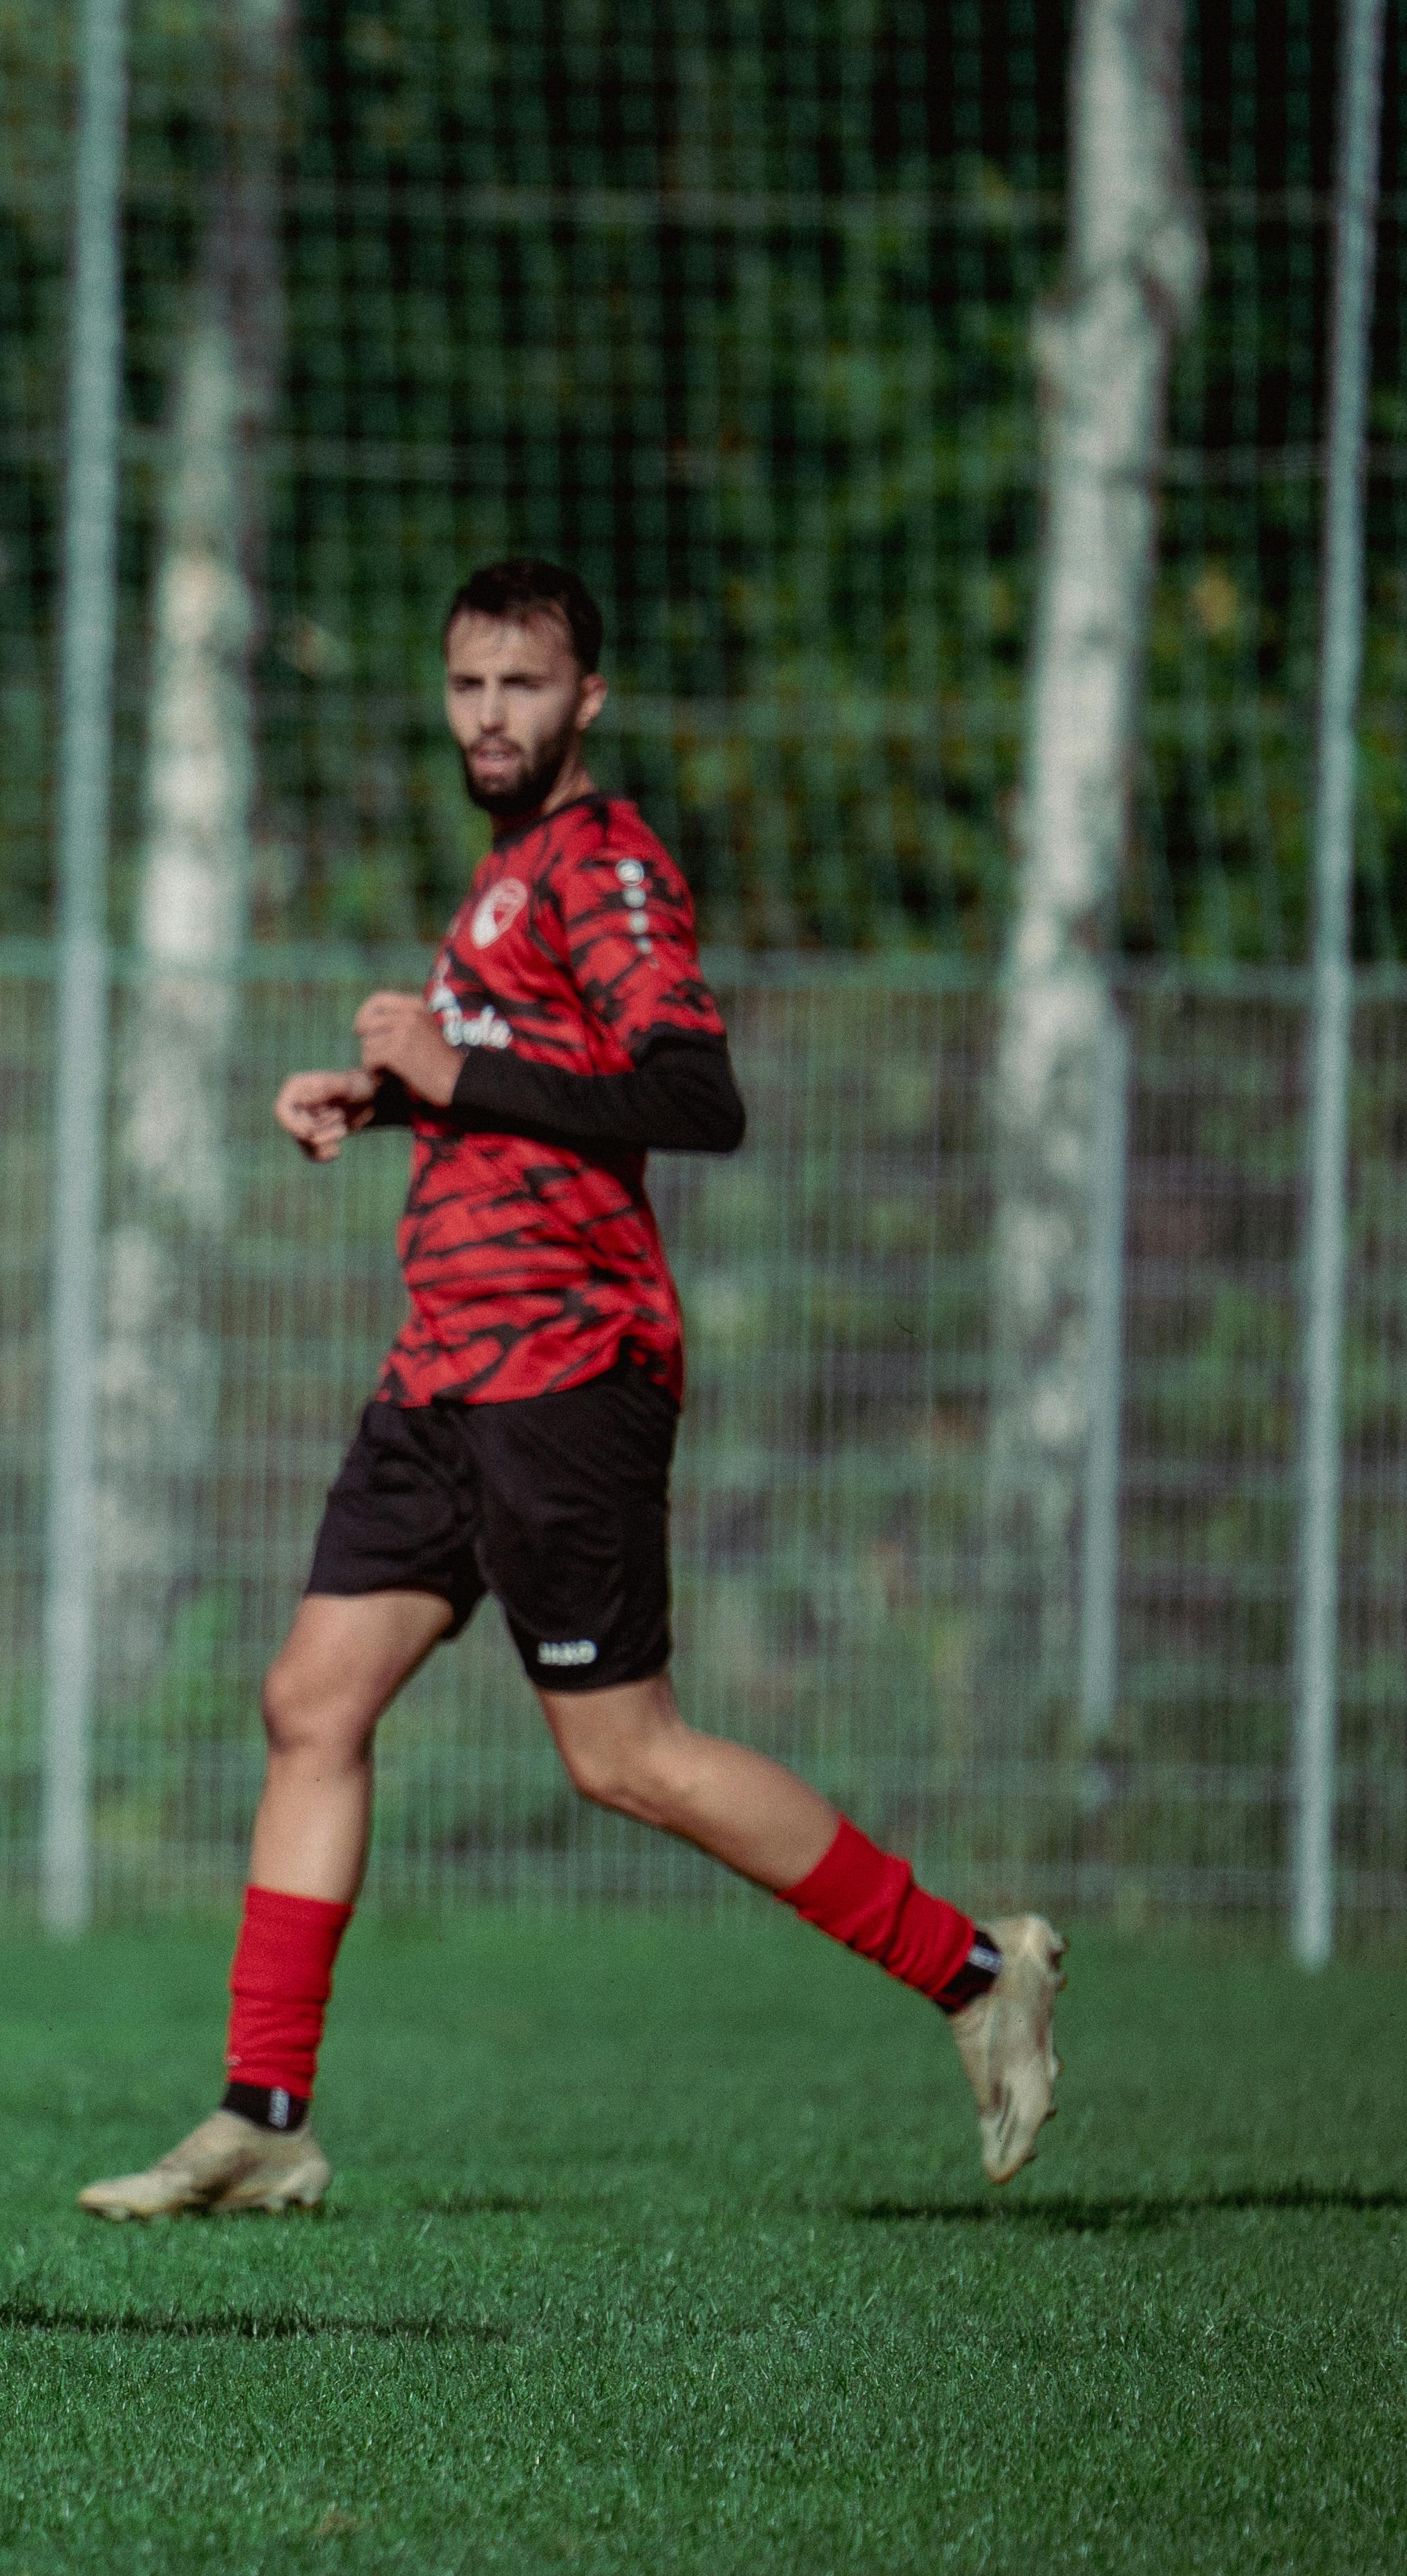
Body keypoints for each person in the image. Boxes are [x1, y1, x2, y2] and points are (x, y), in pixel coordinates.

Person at [77, 558, 1064, 2224]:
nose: (489, 716)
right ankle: (263, 2115)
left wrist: (454, 1068)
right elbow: (535, 1088)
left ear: (586, 699)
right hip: (443, 1370)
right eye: (467, 685)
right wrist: (397, 1100)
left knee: (627, 1756)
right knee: (311, 1700)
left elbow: (695, 1095)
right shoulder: (504, 876)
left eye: (522, 686)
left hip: (567, 1367)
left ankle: (974, 1967)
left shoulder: (604, 868)